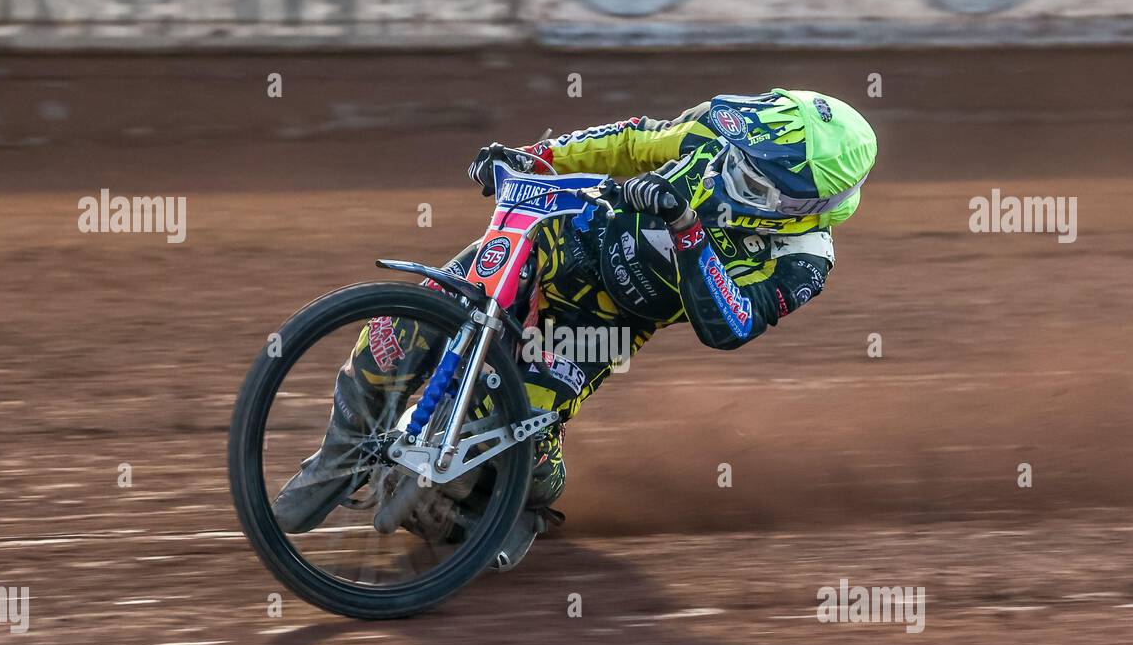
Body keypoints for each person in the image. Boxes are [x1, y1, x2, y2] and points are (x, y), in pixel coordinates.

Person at [272, 89, 877, 534]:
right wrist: (534, 157)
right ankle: (337, 456)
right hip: (557, 239)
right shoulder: (711, 139)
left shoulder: (805, 260)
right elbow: (629, 141)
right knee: (412, 323)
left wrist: (687, 227)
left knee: (513, 445)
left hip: (601, 330)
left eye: (757, 181)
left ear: (811, 205)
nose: (732, 174)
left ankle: (506, 512)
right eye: (739, 157)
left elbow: (731, 326)